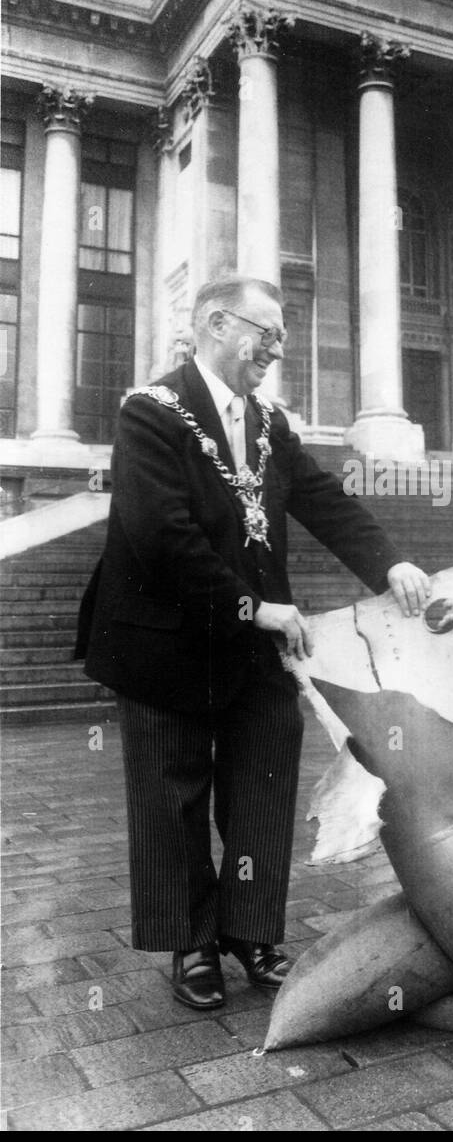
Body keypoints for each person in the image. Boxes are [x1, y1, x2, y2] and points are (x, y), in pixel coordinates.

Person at [76, 275, 429, 1011]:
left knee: (263, 781)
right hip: (161, 639)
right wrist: (253, 607)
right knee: (170, 796)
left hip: (254, 642)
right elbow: (159, 535)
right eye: (264, 333)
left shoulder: (269, 422)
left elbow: (324, 500)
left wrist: (388, 561)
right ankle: (193, 942)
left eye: (282, 337)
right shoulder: (150, 412)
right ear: (212, 323)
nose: (276, 349)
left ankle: (249, 929)